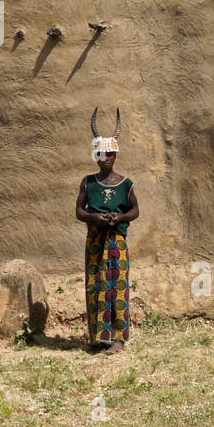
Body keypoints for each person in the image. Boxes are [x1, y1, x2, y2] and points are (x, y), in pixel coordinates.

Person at [75, 107, 139, 353]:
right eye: (101, 154)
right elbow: (79, 211)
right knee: (95, 285)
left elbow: (135, 211)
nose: (105, 158)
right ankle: (98, 337)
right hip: (95, 240)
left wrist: (120, 216)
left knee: (118, 287)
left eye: (110, 154)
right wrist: (95, 217)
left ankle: (119, 338)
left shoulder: (126, 184)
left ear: (115, 156)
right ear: (96, 156)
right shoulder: (88, 182)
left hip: (117, 241)